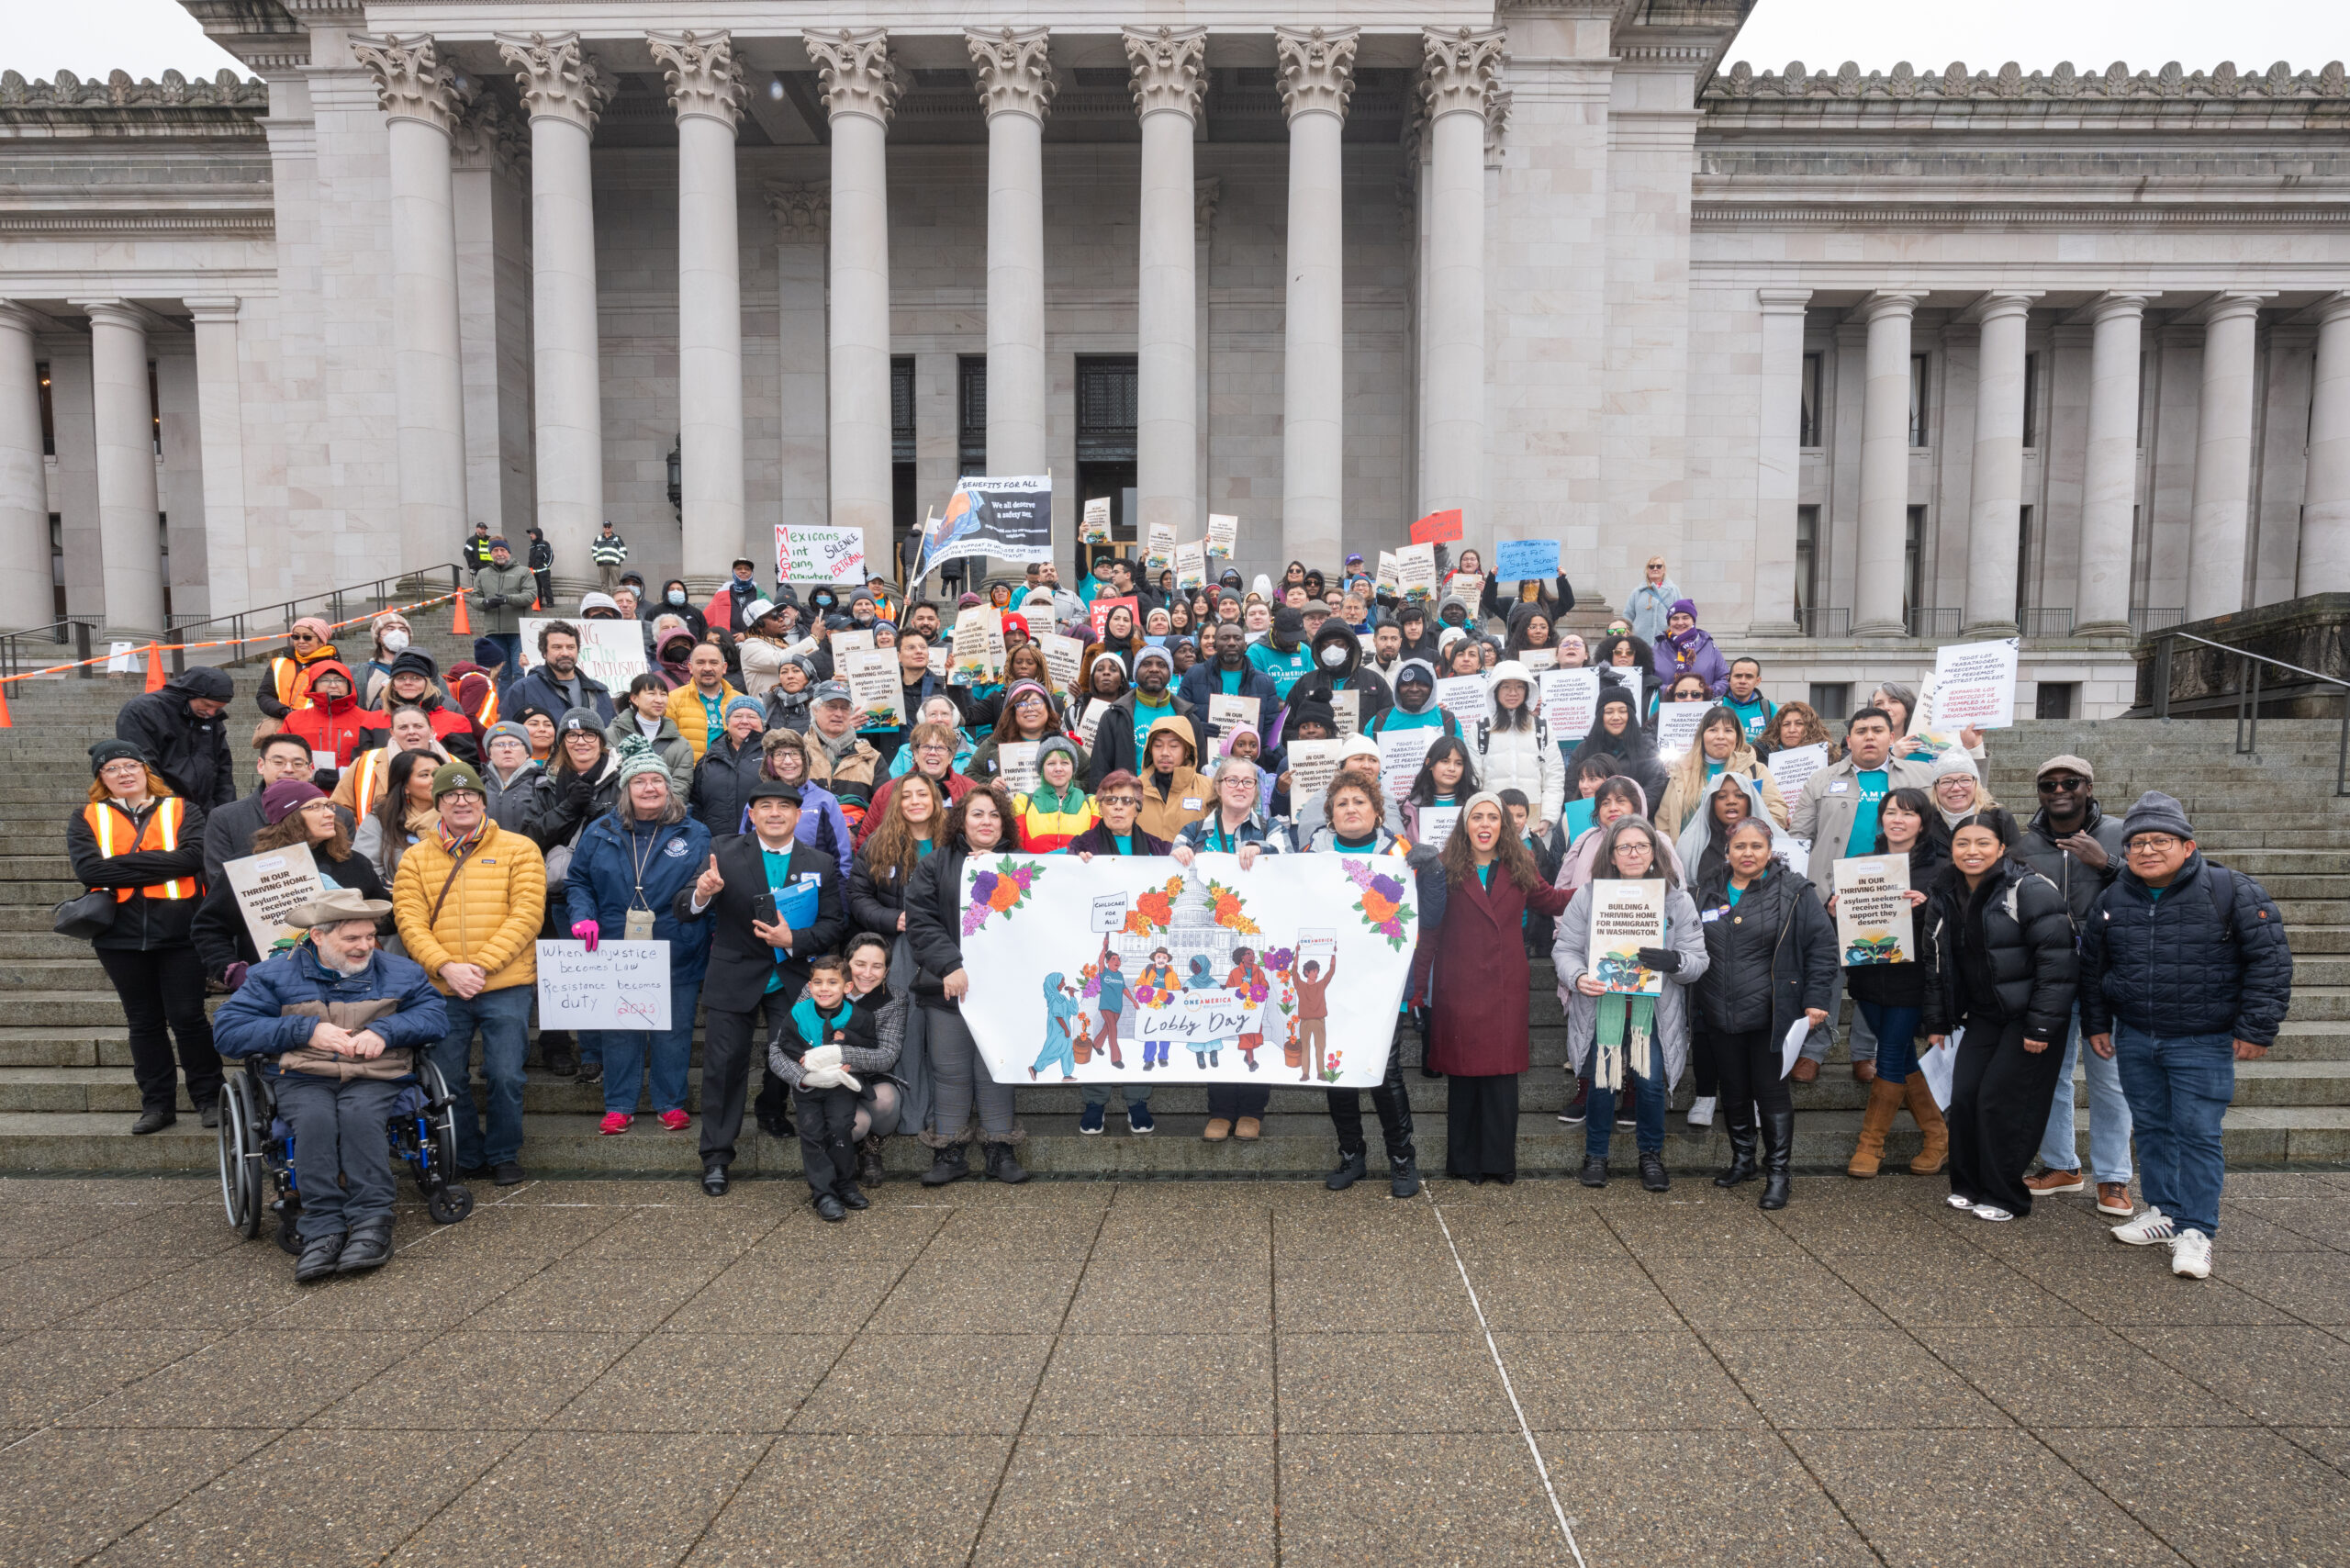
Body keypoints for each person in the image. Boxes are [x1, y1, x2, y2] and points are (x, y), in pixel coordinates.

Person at [2082, 791, 2292, 1279]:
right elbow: (2093, 968)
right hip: (2136, 1035)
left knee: (2197, 1134)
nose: (2148, 850)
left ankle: (2197, 1230)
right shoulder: (2113, 898)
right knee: (2152, 1127)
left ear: (2188, 846)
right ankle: (2164, 1211)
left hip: (2202, 1039)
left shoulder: (2232, 890)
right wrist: (2096, 1023)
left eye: (2161, 840)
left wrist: (2257, 1027)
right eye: (2137, 842)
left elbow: (2270, 962)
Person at [209, 888, 447, 1279]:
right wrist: (305, 1030)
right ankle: (323, 1225)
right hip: (304, 1074)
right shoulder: (271, 976)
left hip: (375, 1073)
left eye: (370, 937)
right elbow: (230, 1032)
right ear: (318, 936)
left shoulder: (401, 971)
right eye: (351, 938)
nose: (364, 946)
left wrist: (386, 1031)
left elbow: (435, 1017)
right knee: (315, 1121)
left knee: (359, 1116)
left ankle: (372, 1220)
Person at [677, 777, 847, 1194]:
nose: (775, 813)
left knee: (790, 1059)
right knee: (723, 1068)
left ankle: (773, 1112)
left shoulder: (819, 862)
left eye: (784, 806)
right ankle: (716, 1157)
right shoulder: (723, 852)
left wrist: (795, 941)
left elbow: (833, 924)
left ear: (797, 815)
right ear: (751, 815)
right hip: (734, 975)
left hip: (789, 976)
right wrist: (701, 893)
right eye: (765, 806)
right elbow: (684, 909)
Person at [1919, 808, 2077, 1225]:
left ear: (2003, 847)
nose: (1972, 851)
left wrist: (2042, 1024)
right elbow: (1935, 963)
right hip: (1985, 1015)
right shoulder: (1944, 891)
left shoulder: (2028, 889)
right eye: (1962, 843)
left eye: (1982, 843)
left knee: (2002, 1102)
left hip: (2029, 1018)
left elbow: (2058, 964)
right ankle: (1969, 1185)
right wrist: (1937, 1022)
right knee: (1967, 1096)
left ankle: (2007, 1195)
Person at [392, 761, 546, 1185]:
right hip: (442, 988)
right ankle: (466, 1153)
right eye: (450, 796)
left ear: (483, 800)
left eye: (470, 795)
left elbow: (527, 915)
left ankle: (502, 1154)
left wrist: (477, 967)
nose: (461, 802)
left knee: (505, 1074)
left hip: (505, 984)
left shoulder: (520, 848)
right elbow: (409, 921)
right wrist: (445, 967)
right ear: (437, 804)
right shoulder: (415, 858)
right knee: (448, 1078)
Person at [1302, 771, 1446, 1196]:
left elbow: (1433, 916)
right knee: (1336, 1073)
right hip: (1333, 984)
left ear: (1377, 811)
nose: (1351, 809)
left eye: (1359, 802)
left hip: (1384, 983)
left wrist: (1433, 870)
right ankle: (1352, 1154)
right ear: (1330, 814)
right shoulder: (1312, 853)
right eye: (1342, 803)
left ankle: (1402, 1160)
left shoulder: (1400, 852)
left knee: (1386, 1073)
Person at [1419, 793, 1574, 1183]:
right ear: (1464, 825)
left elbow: (1553, 900)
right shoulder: (1442, 867)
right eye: (1477, 817)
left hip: (1505, 984)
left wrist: (1603, 888)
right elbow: (1429, 930)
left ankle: (1499, 1163)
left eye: (1493, 817)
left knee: (1502, 1079)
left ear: (1504, 826)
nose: (1485, 824)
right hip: (1459, 983)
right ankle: (1464, 1164)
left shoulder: (1521, 864)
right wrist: (1417, 988)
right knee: (1463, 1078)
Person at [70, 739, 219, 1134]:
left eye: (129, 765)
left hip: (181, 934)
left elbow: (193, 858)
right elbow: (91, 872)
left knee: (188, 1019)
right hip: (118, 937)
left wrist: (121, 864)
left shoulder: (182, 808)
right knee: (143, 1022)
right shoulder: (87, 816)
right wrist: (161, 865)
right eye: (112, 769)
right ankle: (157, 1106)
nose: (123, 773)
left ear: (145, 770)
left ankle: (209, 1098)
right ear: (101, 778)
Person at [1554, 816, 1707, 1193]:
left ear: (1655, 853)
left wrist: (1675, 962)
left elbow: (1698, 960)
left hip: (1653, 1012)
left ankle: (1651, 1156)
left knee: (1651, 1083)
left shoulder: (1677, 898)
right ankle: (1595, 1155)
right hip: (1600, 1007)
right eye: (1624, 847)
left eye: (1641, 845)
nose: (1633, 853)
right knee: (1601, 1085)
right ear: (1612, 855)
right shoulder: (1589, 896)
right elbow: (1565, 950)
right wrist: (1576, 977)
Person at [564, 749, 712, 1137]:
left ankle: (671, 1103)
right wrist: (582, 916)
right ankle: (619, 1105)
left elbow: (702, 885)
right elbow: (577, 881)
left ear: (669, 786)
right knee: (619, 1028)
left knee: (674, 1029)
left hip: (676, 943)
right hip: (615, 946)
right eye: (639, 781)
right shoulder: (600, 831)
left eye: (657, 780)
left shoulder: (694, 832)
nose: (650, 787)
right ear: (626, 790)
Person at [1691, 817, 1837, 1207]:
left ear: (1770, 850)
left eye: (1757, 846)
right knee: (1734, 1091)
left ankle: (1778, 1173)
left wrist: (1817, 997)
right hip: (1719, 1011)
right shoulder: (1707, 891)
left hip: (1774, 1012)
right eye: (1740, 846)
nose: (1748, 853)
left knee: (1771, 1095)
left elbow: (1822, 948)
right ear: (1727, 851)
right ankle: (1743, 1160)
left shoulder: (1795, 892)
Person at [2010, 755, 2133, 1215]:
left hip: (2106, 974)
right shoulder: (2023, 844)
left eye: (2070, 782)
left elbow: (2157, 884)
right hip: (2051, 976)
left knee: (2109, 1080)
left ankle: (2115, 1176)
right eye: (2048, 784)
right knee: (2051, 1076)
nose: (2059, 790)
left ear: (2088, 787)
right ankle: (2061, 1164)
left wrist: (2110, 864)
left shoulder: (2120, 833)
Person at [1786, 706, 1933, 1081]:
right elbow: (1800, 838)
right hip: (1830, 894)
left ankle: (1864, 1053)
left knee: (1875, 974)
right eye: (1861, 730)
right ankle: (1814, 1050)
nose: (1869, 737)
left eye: (1878, 730)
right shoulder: (1821, 780)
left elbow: (1946, 822)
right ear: (1847, 739)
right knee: (1825, 974)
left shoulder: (1919, 776)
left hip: (1888, 896)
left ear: (1891, 736)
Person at [903, 783, 1030, 1184]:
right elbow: (921, 921)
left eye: (994, 815)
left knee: (996, 1067)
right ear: (962, 819)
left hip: (1002, 991)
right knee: (950, 1069)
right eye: (978, 813)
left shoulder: (1021, 865)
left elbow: (1039, 922)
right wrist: (949, 965)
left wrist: (1000, 871)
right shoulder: (936, 864)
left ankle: (999, 1149)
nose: (987, 821)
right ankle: (949, 1153)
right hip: (948, 988)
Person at [1841, 787, 1950, 1179]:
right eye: (1891, 812)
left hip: (1913, 979)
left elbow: (1956, 925)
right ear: (1881, 818)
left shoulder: (1941, 868)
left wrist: (1928, 907)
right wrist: (1835, 909)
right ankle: (1938, 1137)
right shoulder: (1860, 864)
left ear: (1923, 822)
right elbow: (1846, 926)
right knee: (1903, 1057)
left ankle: (1870, 1145)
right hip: (1867, 977)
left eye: (1908, 813)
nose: (1898, 820)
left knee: (1889, 1054)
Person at [202, 731, 345, 883]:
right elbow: (220, 881)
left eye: (298, 764)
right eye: (278, 762)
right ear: (261, 765)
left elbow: (345, 867)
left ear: (310, 770)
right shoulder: (226, 817)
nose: (289, 769)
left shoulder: (338, 816)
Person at [1655, 703, 1788, 840]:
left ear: (1737, 737)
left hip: (1740, 855)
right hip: (1688, 858)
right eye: (1713, 730)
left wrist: (1752, 836)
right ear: (1702, 736)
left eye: (1728, 730)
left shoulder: (1756, 770)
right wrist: (1670, 855)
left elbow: (1777, 810)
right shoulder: (1682, 770)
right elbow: (1664, 822)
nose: (1720, 736)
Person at [115, 666, 237, 810]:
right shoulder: (142, 711)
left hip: (204, 810)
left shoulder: (211, 719)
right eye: (207, 705)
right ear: (189, 694)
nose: (211, 712)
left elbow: (223, 770)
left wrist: (226, 813)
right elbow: (144, 767)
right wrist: (172, 807)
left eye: (217, 709)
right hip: (161, 809)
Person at [1472, 660, 1561, 824]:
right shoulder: (1480, 729)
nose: (1513, 692)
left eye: (1520, 686)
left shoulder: (1542, 727)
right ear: (1495, 690)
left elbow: (1553, 778)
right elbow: (1474, 781)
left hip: (1533, 820)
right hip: (1492, 820)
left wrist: (1548, 818)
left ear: (1527, 691)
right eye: (1505, 686)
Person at [357, 652, 476, 762]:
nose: (408, 682)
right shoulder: (372, 720)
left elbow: (467, 765)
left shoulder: (455, 721)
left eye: (416, 678)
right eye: (401, 678)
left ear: (427, 683)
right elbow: (364, 763)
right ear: (393, 684)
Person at [1181, 621, 1284, 740]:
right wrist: (1197, 728)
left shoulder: (1264, 682)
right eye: (1225, 638)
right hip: (1204, 753)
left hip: (1250, 756)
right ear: (1215, 645)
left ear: (1245, 645)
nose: (1231, 643)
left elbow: (1270, 726)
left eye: (1237, 638)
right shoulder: (1194, 675)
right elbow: (1181, 714)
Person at [352, 748, 442, 883]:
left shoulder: (459, 815)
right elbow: (365, 872)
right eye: (424, 775)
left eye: (438, 774)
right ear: (405, 786)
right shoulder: (381, 819)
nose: (434, 780)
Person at [1565, 686, 1666, 806]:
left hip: (1634, 819)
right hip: (1591, 820)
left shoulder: (1647, 746)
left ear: (1631, 715)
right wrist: (1596, 814)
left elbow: (1656, 784)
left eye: (1622, 711)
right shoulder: (1583, 750)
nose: (1616, 717)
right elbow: (1571, 789)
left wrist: (1629, 810)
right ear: (1600, 716)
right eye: (1609, 712)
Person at [804, 680, 885, 827]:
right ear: (815, 710)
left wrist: (855, 833)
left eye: (845, 708)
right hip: (807, 842)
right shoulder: (797, 753)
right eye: (831, 706)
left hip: (857, 844)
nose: (839, 713)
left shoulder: (871, 757)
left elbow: (884, 807)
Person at [688, 696, 769, 838]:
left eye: (752, 716)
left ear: (762, 723)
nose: (744, 721)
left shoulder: (773, 753)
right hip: (717, 844)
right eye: (737, 716)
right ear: (727, 722)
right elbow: (696, 804)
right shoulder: (709, 757)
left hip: (763, 842)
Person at [509, 620, 616, 724]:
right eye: (557, 647)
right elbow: (507, 733)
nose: (565, 653)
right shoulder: (522, 690)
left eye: (571, 647)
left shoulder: (599, 691)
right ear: (544, 652)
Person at [280, 661, 370, 774]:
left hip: (352, 787)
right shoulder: (294, 719)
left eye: (339, 680)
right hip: (305, 787)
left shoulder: (368, 719)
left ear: (349, 685)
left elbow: (376, 760)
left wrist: (342, 776)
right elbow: (280, 756)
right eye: (325, 680)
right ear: (314, 685)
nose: (333, 685)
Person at [610, 673, 696, 790]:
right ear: (634, 699)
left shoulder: (681, 744)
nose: (659, 700)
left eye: (663, 694)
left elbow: (682, 783)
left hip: (667, 807)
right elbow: (609, 778)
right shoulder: (613, 734)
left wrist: (663, 806)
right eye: (651, 694)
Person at [1134, 714, 1213, 842]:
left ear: (1187, 751)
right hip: (1143, 861)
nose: (1164, 752)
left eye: (1174, 746)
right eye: (1158, 745)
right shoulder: (1134, 789)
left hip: (1191, 861)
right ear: (1150, 750)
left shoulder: (1209, 788)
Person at [1011, 735, 1096, 852]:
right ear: (1042, 769)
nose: (1058, 768)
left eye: (1065, 763)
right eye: (1051, 763)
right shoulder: (1023, 802)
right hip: (1035, 870)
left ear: (1073, 768)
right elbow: (1014, 849)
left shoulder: (1092, 804)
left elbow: (1097, 850)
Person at [663, 642, 744, 764]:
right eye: (700, 662)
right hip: (690, 776)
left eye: (714, 663)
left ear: (724, 667)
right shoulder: (672, 700)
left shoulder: (741, 701)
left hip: (734, 773)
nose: (707, 668)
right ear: (690, 667)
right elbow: (667, 745)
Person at [469, 538, 537, 681]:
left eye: (503, 550)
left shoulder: (524, 572)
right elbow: (474, 599)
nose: (499, 553)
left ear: (509, 553)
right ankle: (503, 703)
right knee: (501, 674)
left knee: (520, 672)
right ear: (490, 553)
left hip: (519, 631)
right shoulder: (482, 574)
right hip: (494, 632)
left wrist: (508, 599)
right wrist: (486, 602)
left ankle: (522, 703)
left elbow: (530, 596)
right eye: (495, 550)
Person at [255, 617, 341, 719]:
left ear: (321, 641)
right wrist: (283, 711)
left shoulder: (333, 666)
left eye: (307, 637)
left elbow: (338, 701)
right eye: (296, 637)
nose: (301, 641)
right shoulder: (278, 663)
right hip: (284, 723)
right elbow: (264, 695)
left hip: (318, 726)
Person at [1650, 599, 1729, 697]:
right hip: (1666, 709)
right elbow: (1645, 681)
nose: (1680, 622)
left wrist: (1706, 692)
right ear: (1669, 622)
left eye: (1685, 618)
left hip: (1702, 709)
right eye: (1675, 618)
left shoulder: (1710, 648)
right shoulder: (1655, 651)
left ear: (1693, 621)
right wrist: (1666, 690)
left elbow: (1725, 679)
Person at [476, 722, 542, 831]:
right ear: (490, 753)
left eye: (514, 744)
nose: (507, 749)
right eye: (499, 745)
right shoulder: (478, 787)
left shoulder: (542, 785)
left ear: (527, 752)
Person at [1756, 699, 1838, 763]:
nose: (1792, 730)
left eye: (1799, 724)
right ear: (1778, 728)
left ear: (1811, 727)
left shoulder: (1828, 756)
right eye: (1786, 724)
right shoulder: (1759, 755)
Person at [1624, 554, 1681, 643]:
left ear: (1664, 569)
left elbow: (1681, 613)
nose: (1655, 569)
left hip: (1666, 641)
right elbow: (1628, 616)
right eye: (1651, 566)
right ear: (1647, 570)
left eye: (1659, 566)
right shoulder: (1637, 592)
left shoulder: (1673, 590)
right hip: (1640, 641)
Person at [1721, 657, 1775, 744]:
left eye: (1749, 677)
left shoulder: (1769, 708)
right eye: (1738, 676)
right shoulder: (1714, 705)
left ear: (1757, 681)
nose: (1743, 681)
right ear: (1729, 678)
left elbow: (1777, 742)